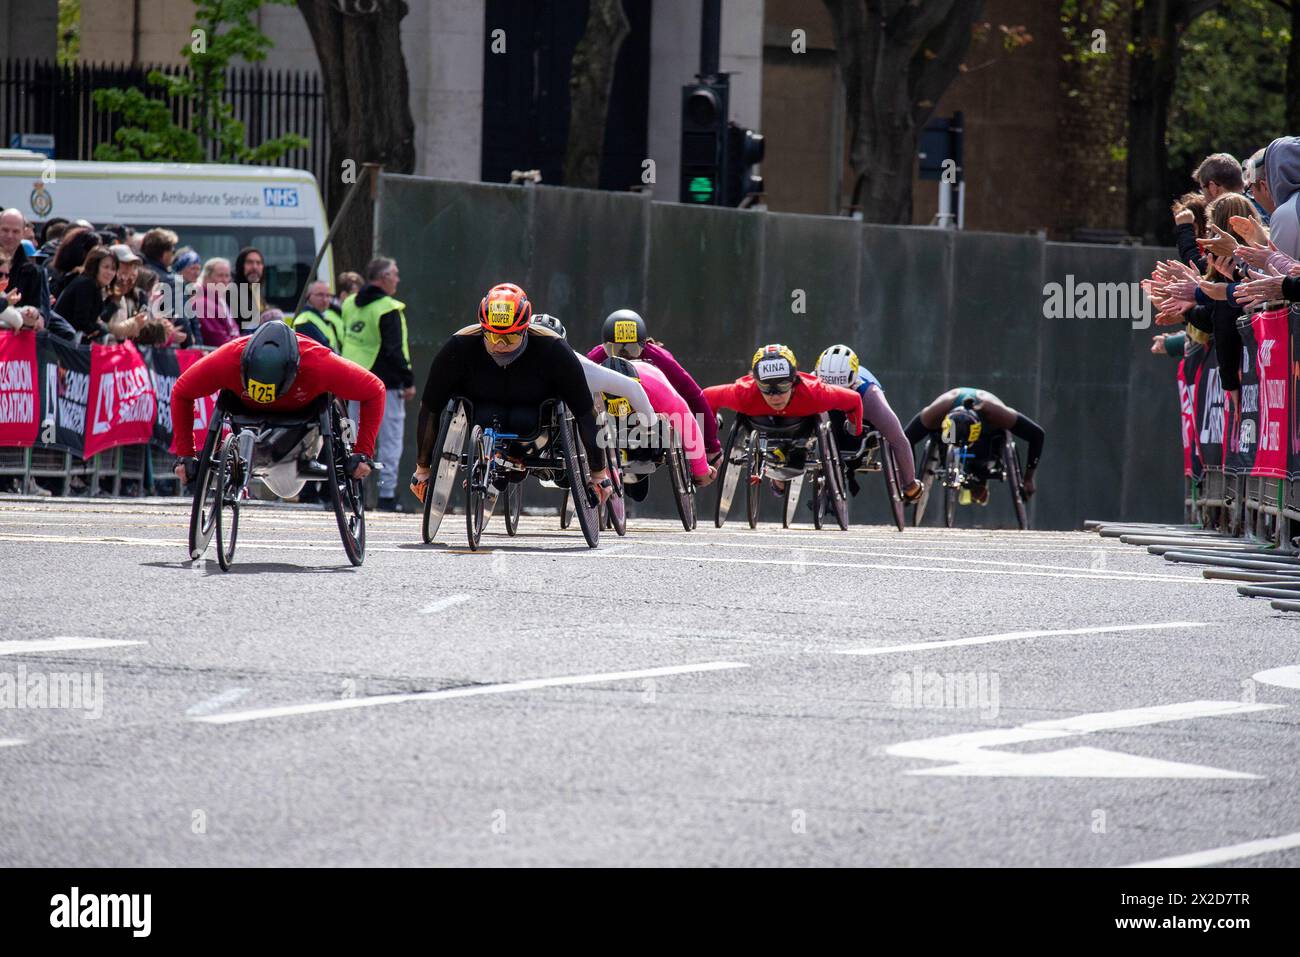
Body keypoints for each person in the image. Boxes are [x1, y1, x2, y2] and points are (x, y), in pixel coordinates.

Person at [410, 282, 611, 508]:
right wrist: (423, 469)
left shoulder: (553, 348)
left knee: (523, 422)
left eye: (510, 338)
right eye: (493, 337)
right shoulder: (459, 346)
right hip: (483, 416)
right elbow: (430, 407)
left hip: (533, 423)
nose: (500, 345)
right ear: (482, 327)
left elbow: (585, 411)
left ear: (525, 329)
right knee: (484, 417)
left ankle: (516, 463)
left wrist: (598, 474)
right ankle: (495, 466)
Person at [170, 322, 385, 488]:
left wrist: (363, 451)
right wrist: (186, 455)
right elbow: (181, 392)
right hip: (245, 411)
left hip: (302, 420)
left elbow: (375, 389)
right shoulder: (228, 359)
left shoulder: (319, 363)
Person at [585, 309, 722, 465]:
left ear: (644, 346)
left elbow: (692, 395)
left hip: (652, 416)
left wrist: (712, 446)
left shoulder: (659, 357)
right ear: (604, 347)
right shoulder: (596, 357)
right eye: (615, 350)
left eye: (632, 350)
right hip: (612, 416)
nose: (623, 356)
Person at [340, 257, 416, 511]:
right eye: (394, 274)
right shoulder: (388, 308)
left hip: (353, 380)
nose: (397, 279)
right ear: (383, 277)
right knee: (389, 440)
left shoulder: (350, 303)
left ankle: (349, 490)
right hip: (386, 383)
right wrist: (407, 380)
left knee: (350, 436)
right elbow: (395, 350)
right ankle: (386, 495)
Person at [813, 344, 922, 503]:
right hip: (828, 412)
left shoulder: (871, 396)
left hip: (860, 420)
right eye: (830, 388)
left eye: (842, 389)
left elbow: (898, 440)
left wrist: (909, 483)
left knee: (893, 433)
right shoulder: (811, 381)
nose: (837, 395)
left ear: (853, 382)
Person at [904, 387, 1044, 505]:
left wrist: (1028, 478)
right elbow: (906, 439)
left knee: (981, 461)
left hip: (986, 436)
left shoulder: (994, 412)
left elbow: (1037, 435)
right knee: (942, 443)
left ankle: (978, 481)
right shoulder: (937, 411)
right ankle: (956, 465)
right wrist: (909, 481)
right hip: (948, 435)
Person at [54, 245, 121, 343]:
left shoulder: (92, 284)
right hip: (63, 343)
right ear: (94, 266)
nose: (110, 272)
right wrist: (99, 328)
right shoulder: (86, 284)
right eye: (106, 267)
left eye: (113, 269)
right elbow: (81, 322)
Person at [193, 257, 241, 347]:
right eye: (220, 275)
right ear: (206, 278)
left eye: (227, 276)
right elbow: (217, 339)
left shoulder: (220, 301)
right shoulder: (202, 303)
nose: (224, 280)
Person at [293, 281, 345, 352]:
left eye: (328, 295)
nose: (325, 299)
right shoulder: (304, 320)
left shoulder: (328, 315)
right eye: (320, 295)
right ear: (308, 296)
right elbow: (323, 349)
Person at [233, 246, 267, 326]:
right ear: (241, 266)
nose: (255, 267)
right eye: (249, 262)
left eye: (258, 263)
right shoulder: (233, 292)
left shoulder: (256, 290)